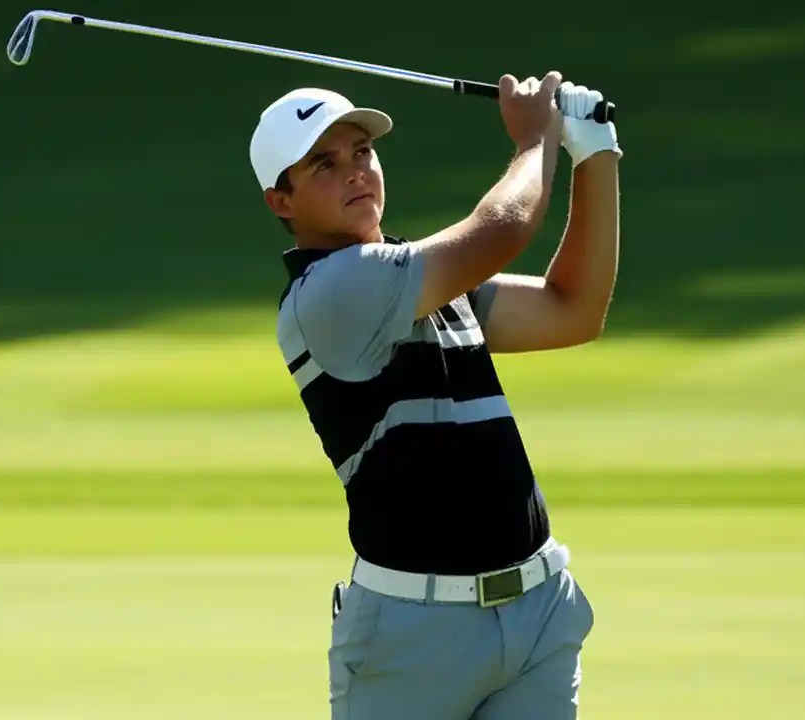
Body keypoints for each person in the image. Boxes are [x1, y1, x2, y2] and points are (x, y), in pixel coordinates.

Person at [249, 70, 621, 719]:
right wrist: (535, 139)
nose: (357, 173)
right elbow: (502, 228)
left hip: (535, 613)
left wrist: (595, 156)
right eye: (324, 165)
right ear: (281, 201)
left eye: (362, 152)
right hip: (412, 639)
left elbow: (574, 310)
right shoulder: (330, 294)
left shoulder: (422, 281)